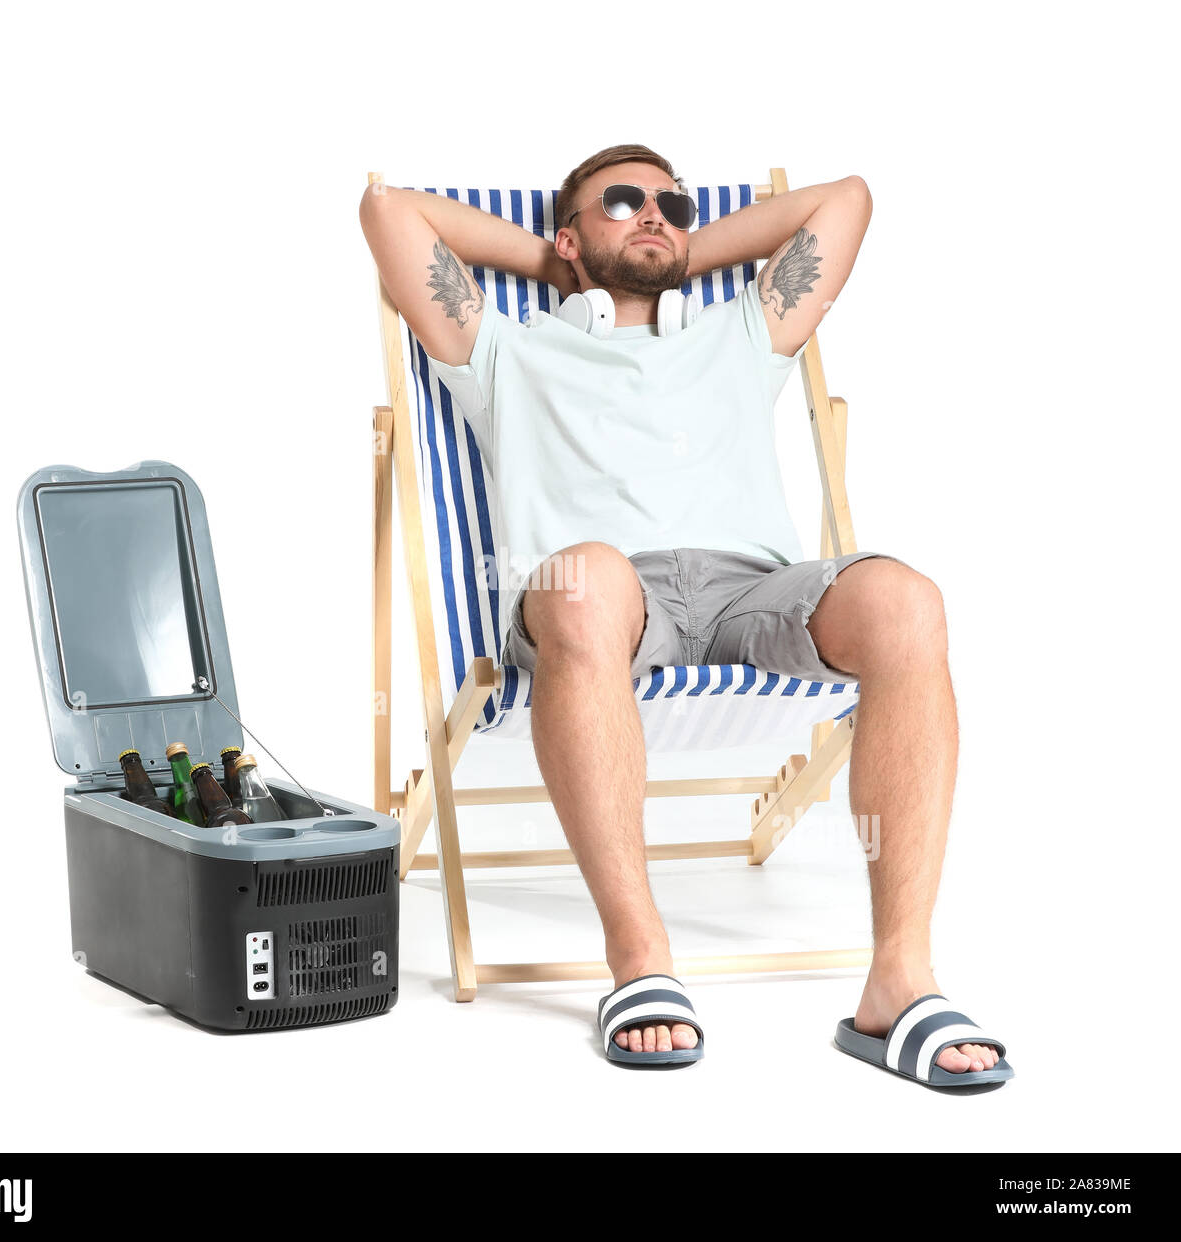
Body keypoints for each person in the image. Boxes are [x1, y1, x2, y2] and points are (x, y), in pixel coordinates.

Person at [358, 145, 1011, 1084]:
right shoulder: (505, 346)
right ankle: (640, 957)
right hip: (604, 600)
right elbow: (390, 211)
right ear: (567, 234)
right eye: (622, 201)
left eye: (674, 202)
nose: (655, 213)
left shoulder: (742, 332)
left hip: (756, 590)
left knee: (907, 601)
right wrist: (565, 267)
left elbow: (846, 200)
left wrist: (673, 249)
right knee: (584, 576)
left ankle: (899, 982)